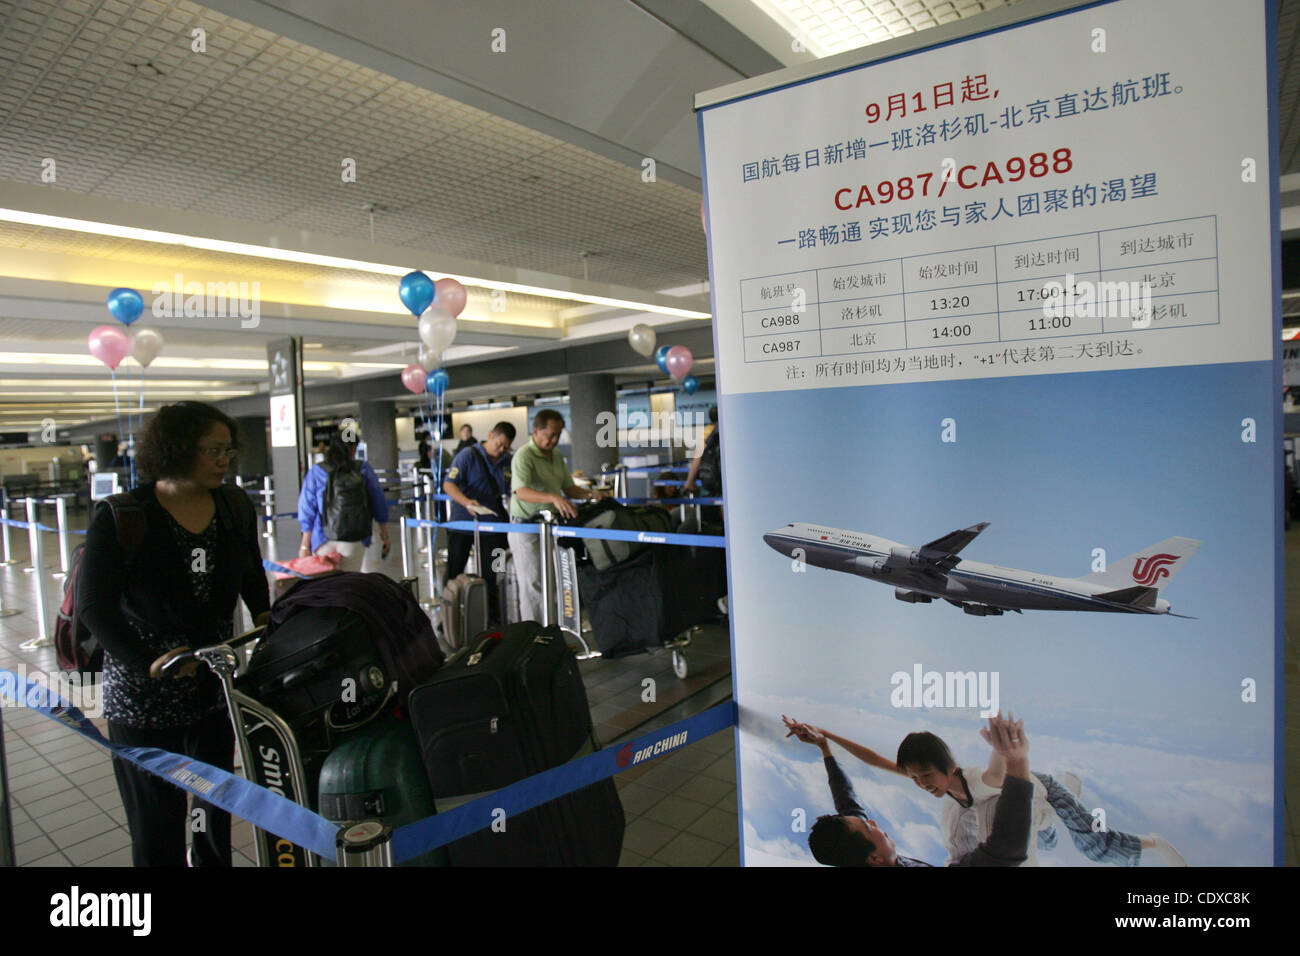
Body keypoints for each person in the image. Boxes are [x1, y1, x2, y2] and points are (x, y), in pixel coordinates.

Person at [77, 401, 270, 867]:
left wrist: (266, 619)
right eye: (212, 450)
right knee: (156, 825)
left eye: (228, 450)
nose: (224, 460)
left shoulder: (233, 504)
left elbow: (250, 573)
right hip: (144, 698)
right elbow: (94, 607)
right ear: (177, 451)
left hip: (211, 692)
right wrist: (148, 661)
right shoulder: (124, 515)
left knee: (213, 816)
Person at [894, 729, 1185, 866]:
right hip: (1025, 812)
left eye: (927, 775)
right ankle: (1053, 811)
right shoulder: (953, 809)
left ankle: (1155, 842)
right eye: (915, 778)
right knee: (1038, 834)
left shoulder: (974, 781)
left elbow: (995, 774)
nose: (921, 784)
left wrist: (1002, 747)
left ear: (950, 767)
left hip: (1043, 792)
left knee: (1096, 848)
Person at [787, 713, 1032, 867]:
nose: (872, 822)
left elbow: (847, 800)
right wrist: (1016, 760)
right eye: (869, 828)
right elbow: (1005, 850)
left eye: (924, 775)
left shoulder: (860, 854)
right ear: (874, 860)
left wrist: (824, 744)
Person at [508, 409, 606, 622]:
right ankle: (534, 636)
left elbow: (569, 489)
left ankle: (553, 633)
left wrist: (592, 494)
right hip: (526, 527)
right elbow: (521, 492)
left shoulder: (557, 456)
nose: (555, 440)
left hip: (550, 526)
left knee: (554, 581)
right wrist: (553, 498)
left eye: (558, 435)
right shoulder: (523, 456)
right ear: (536, 431)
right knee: (533, 585)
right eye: (551, 434)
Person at [443, 421, 515, 619]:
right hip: (463, 523)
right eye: (498, 444)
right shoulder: (467, 455)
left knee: (495, 573)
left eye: (505, 447)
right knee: (455, 570)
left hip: (494, 526)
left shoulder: (508, 460)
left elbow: (511, 488)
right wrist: (466, 502)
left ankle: (493, 616)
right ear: (490, 435)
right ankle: (449, 616)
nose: (501, 450)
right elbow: (449, 485)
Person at [297, 434, 391, 572]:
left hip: (323, 538)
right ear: (352, 448)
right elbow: (379, 501)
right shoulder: (363, 469)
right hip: (354, 538)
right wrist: (385, 534)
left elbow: (306, 508)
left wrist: (305, 545)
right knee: (348, 585)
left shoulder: (317, 471)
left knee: (326, 585)